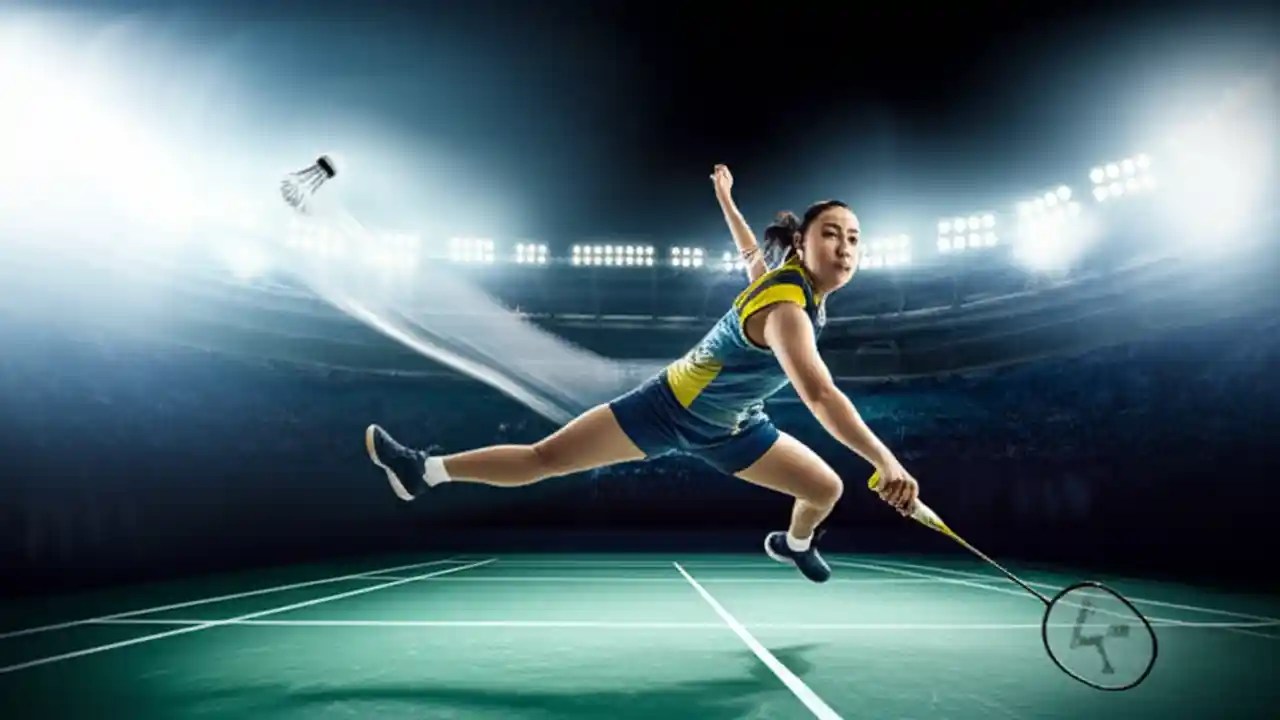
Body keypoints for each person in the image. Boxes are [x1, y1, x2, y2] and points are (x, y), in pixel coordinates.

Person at [365, 164, 921, 583]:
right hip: (665, 408)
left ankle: (795, 545)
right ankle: (423, 469)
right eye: (831, 233)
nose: (845, 246)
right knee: (544, 460)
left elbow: (751, 251)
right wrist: (886, 460)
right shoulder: (787, 311)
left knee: (825, 489)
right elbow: (820, 394)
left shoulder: (789, 286)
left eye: (853, 238)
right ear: (802, 243)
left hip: (734, 428)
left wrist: (726, 200)